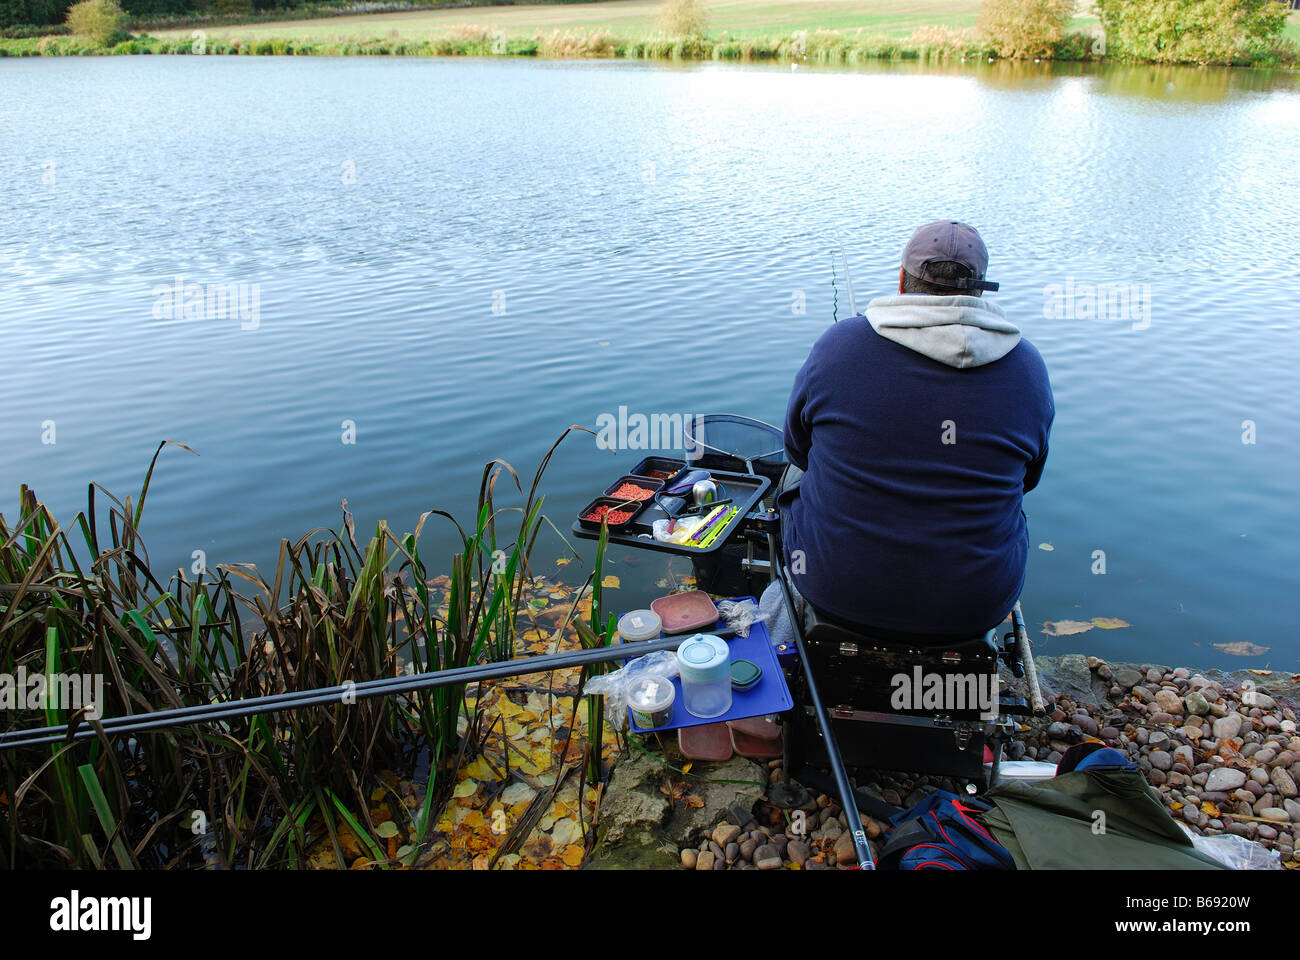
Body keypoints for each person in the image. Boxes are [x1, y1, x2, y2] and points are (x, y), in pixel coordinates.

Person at [778, 221, 1054, 638]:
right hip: (974, 605)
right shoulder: (1028, 367)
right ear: (980, 289)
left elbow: (798, 448)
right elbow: (1028, 479)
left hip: (836, 588)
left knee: (797, 472)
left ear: (903, 280)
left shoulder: (840, 345)